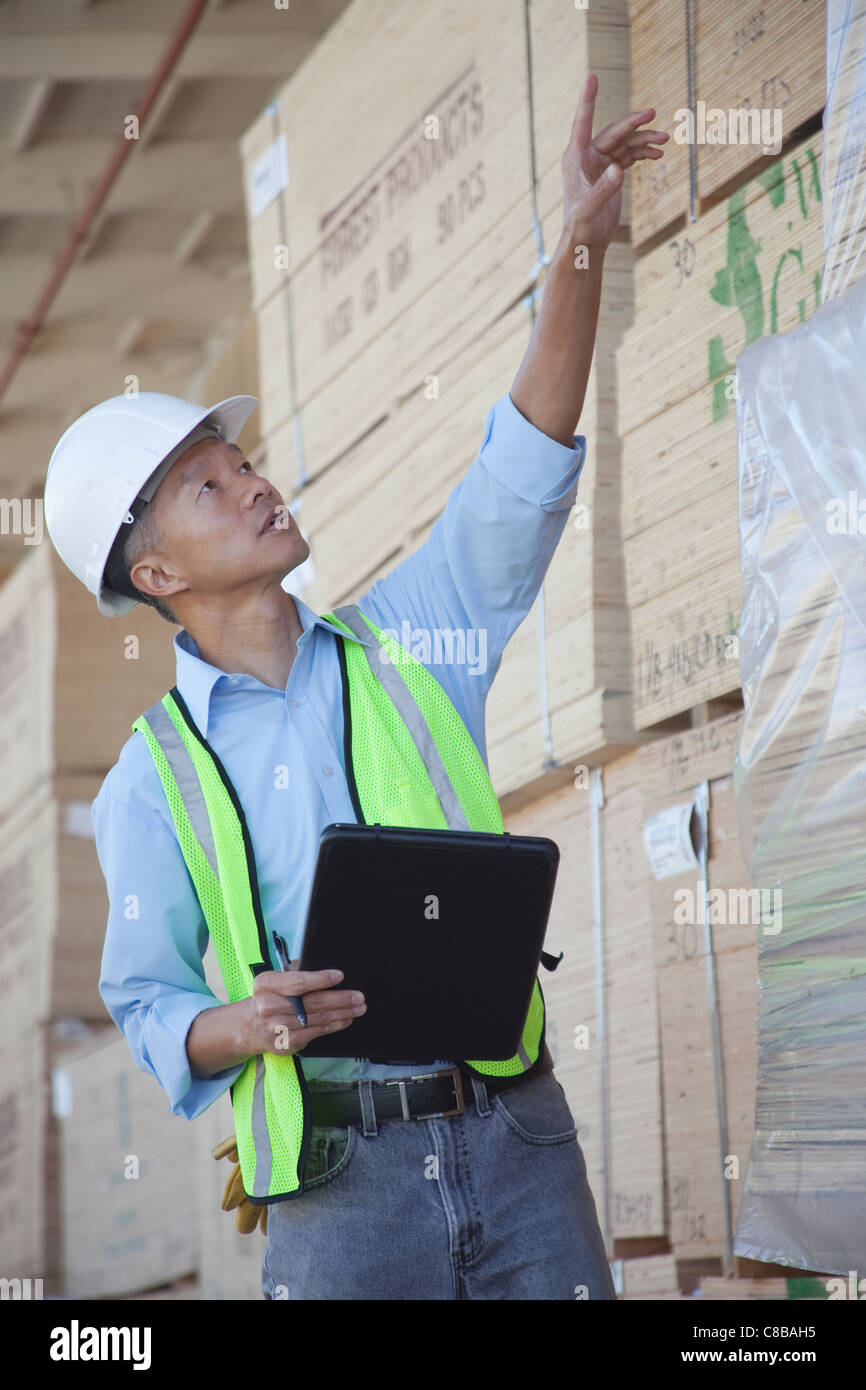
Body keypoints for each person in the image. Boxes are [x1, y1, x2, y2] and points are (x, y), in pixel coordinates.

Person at [44, 73, 667, 1300]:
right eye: (210, 487)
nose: (258, 486)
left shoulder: (412, 637)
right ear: (156, 570)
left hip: (518, 1142)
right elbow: (151, 998)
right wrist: (250, 1021)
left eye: (246, 463)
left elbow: (523, 463)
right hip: (339, 1198)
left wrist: (579, 252)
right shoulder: (152, 784)